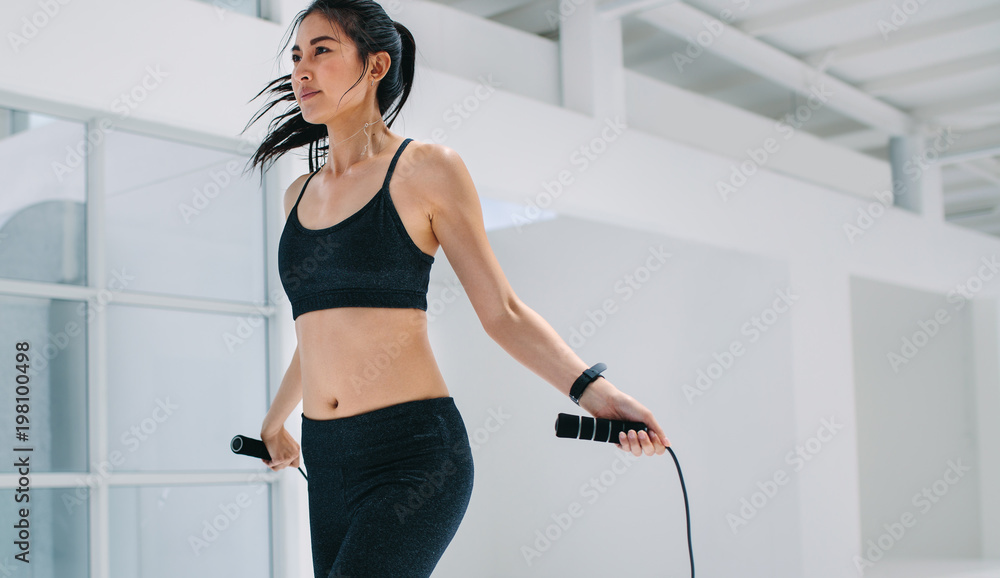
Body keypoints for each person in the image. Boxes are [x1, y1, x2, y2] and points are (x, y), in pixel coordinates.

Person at [241, 2, 671, 577]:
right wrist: (276, 422)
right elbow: (317, 332)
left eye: (322, 51)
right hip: (328, 456)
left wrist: (595, 391)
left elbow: (503, 312)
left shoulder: (425, 169)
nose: (302, 70)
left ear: (374, 66)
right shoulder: (297, 194)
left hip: (412, 456)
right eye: (296, 55)